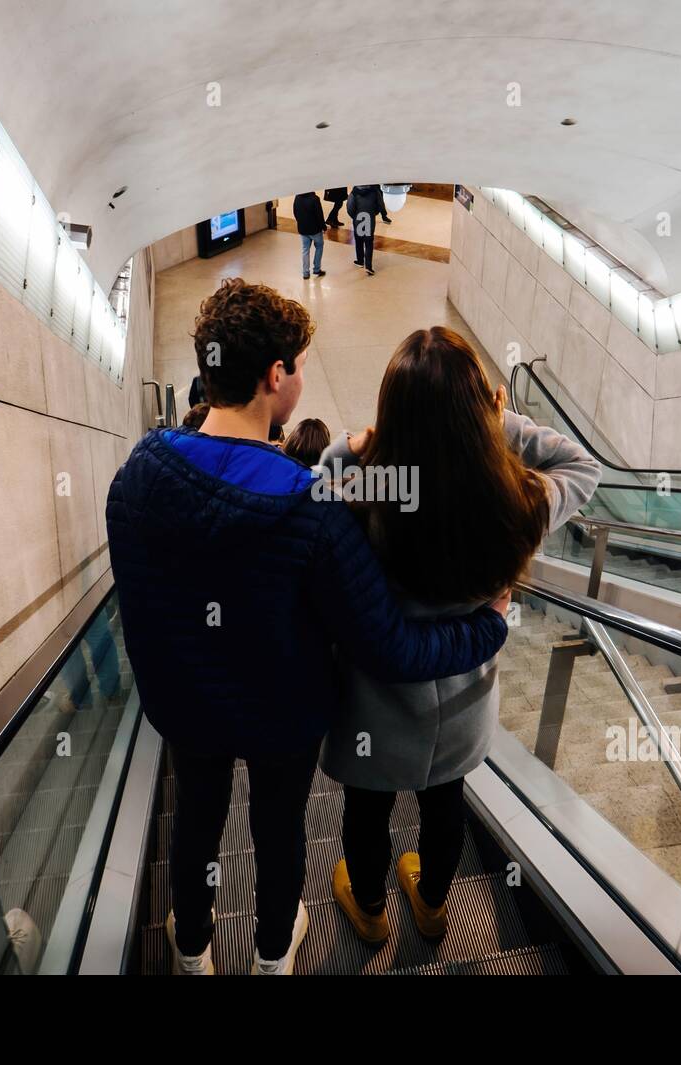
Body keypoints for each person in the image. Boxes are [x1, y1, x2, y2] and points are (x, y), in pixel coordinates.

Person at [106, 282, 511, 976]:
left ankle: (192, 945)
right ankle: (270, 952)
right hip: (281, 718)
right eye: (296, 364)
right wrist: (489, 629)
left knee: (197, 820)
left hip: (186, 707)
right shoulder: (311, 510)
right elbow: (390, 645)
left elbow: (140, 599)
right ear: (275, 377)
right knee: (277, 829)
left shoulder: (139, 474)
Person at [317, 326, 601, 944]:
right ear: (484, 414)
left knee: (367, 813)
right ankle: (434, 902)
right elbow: (584, 465)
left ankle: (368, 908)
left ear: (392, 415)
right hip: (464, 707)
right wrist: (497, 425)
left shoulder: (368, 500)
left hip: (377, 714)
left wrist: (352, 444)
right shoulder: (519, 503)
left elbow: (321, 485)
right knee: (445, 808)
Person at [346, 184, 391, 275]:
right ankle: (369, 266)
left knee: (358, 241)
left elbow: (350, 207)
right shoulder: (375, 191)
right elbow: (380, 205)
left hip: (358, 219)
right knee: (369, 243)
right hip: (369, 219)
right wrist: (373, 213)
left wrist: (355, 216)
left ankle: (360, 261)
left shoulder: (354, 191)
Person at [293, 192, 328, 279]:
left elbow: (295, 212)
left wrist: (300, 222)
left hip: (303, 229)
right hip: (315, 230)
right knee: (319, 246)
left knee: (305, 250)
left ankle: (305, 273)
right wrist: (324, 227)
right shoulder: (315, 199)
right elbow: (319, 215)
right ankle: (316, 269)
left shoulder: (297, 197)